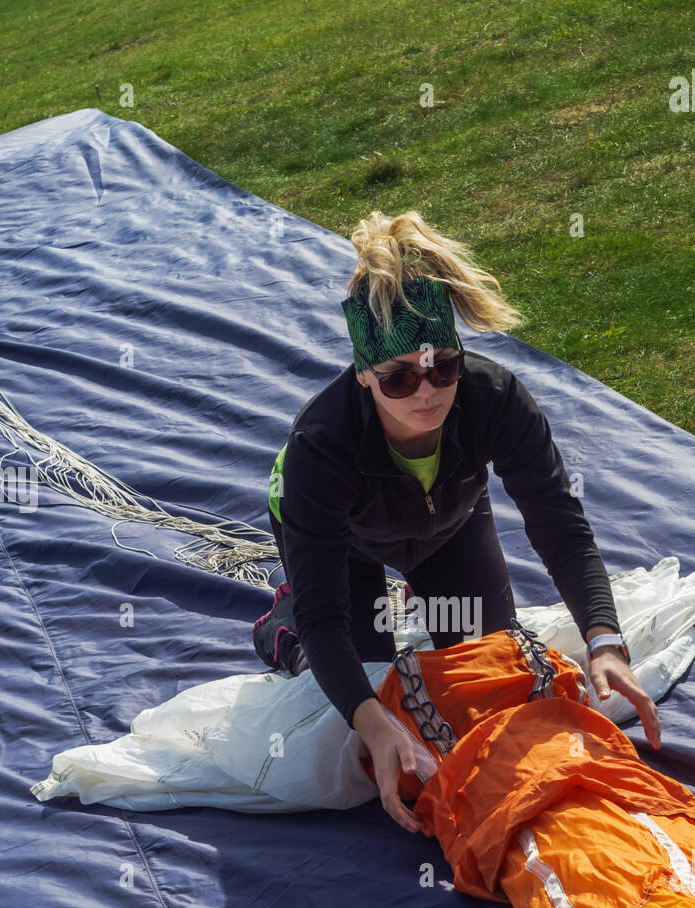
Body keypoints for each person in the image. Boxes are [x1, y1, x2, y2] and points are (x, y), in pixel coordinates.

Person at [261, 209, 660, 832]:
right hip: (345, 540)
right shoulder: (320, 446)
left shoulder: (494, 397)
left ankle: (409, 597)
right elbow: (326, 618)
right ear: (364, 377)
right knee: (369, 685)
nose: (426, 393)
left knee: (483, 665)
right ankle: (278, 628)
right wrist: (368, 715)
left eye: (441, 367)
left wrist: (605, 640)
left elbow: (558, 520)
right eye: (397, 379)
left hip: (446, 523)